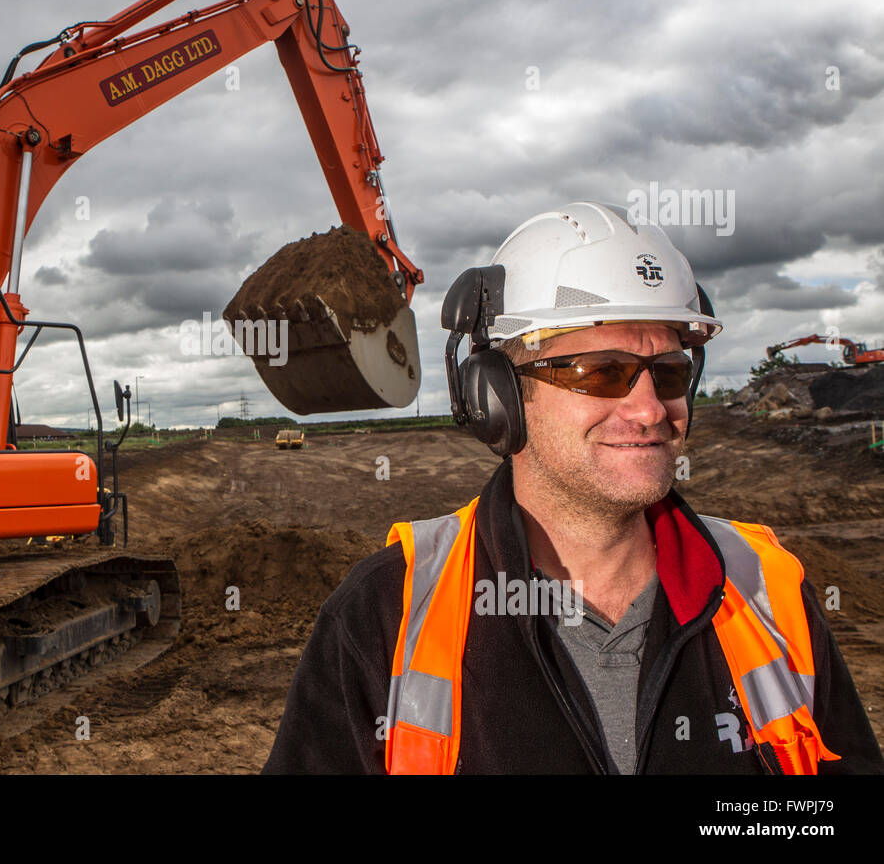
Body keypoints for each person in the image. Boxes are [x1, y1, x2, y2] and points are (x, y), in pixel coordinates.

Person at [263, 201, 883, 774]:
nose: (649, 410)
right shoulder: (388, 611)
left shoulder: (767, 589)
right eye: (602, 373)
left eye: (668, 373)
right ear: (498, 397)